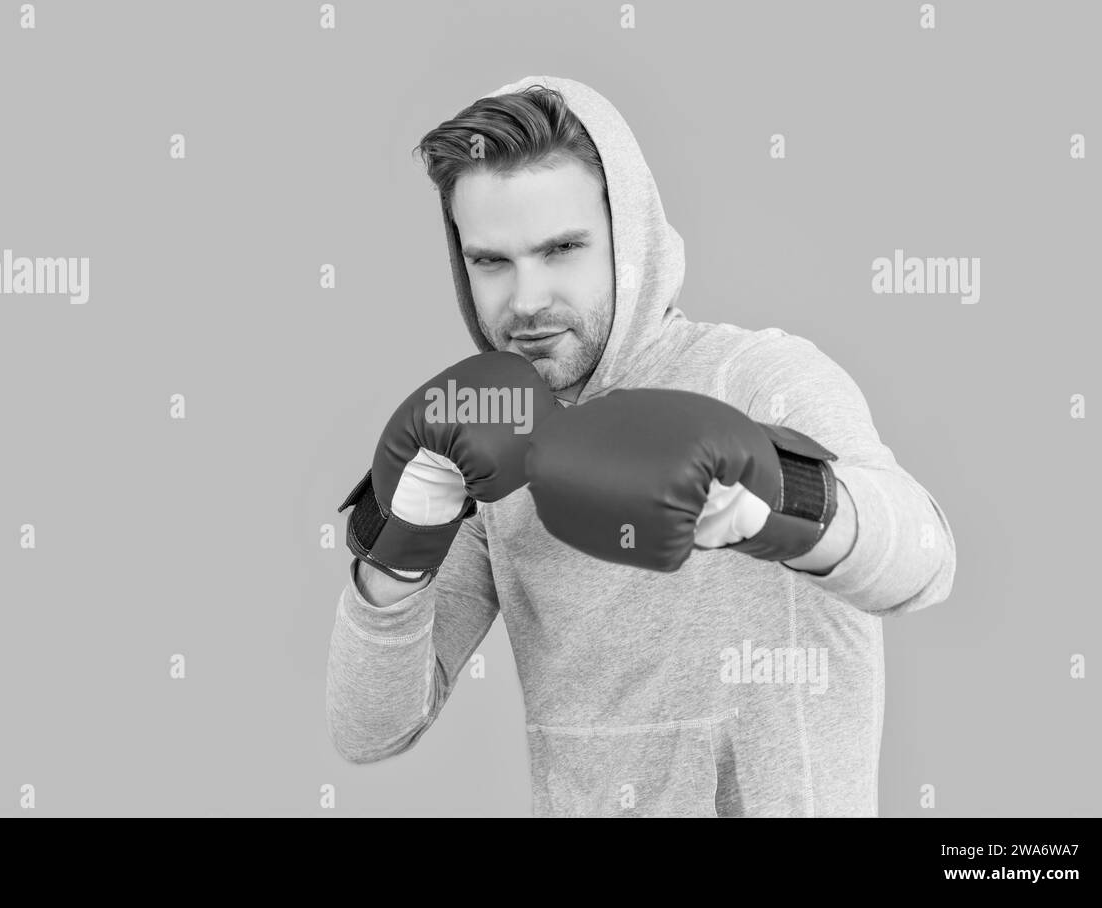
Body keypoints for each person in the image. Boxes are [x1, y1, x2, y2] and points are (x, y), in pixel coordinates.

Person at [325, 75, 957, 817]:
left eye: (562, 248)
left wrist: (778, 495)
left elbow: (926, 562)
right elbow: (370, 729)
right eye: (491, 261)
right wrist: (403, 533)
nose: (526, 301)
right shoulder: (484, 437)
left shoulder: (755, 377)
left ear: (630, 236)